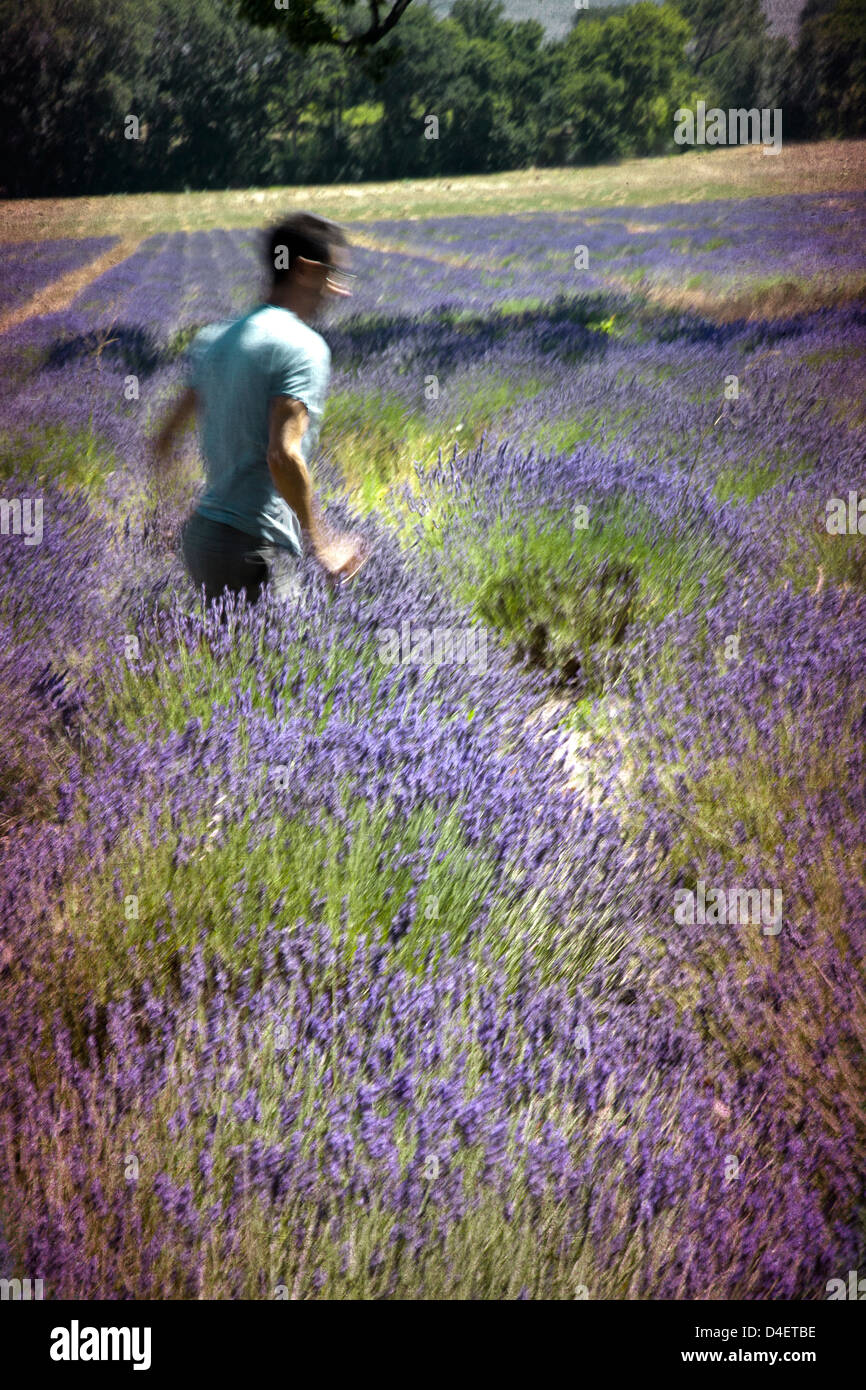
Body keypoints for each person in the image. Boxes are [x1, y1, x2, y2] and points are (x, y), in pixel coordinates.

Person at [149, 211, 367, 606]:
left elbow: (163, 442)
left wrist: (174, 520)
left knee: (227, 663)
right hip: (255, 546)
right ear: (304, 270)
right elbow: (282, 455)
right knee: (284, 663)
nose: (340, 291)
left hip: (204, 540)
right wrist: (323, 544)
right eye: (334, 275)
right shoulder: (302, 347)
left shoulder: (215, 340)